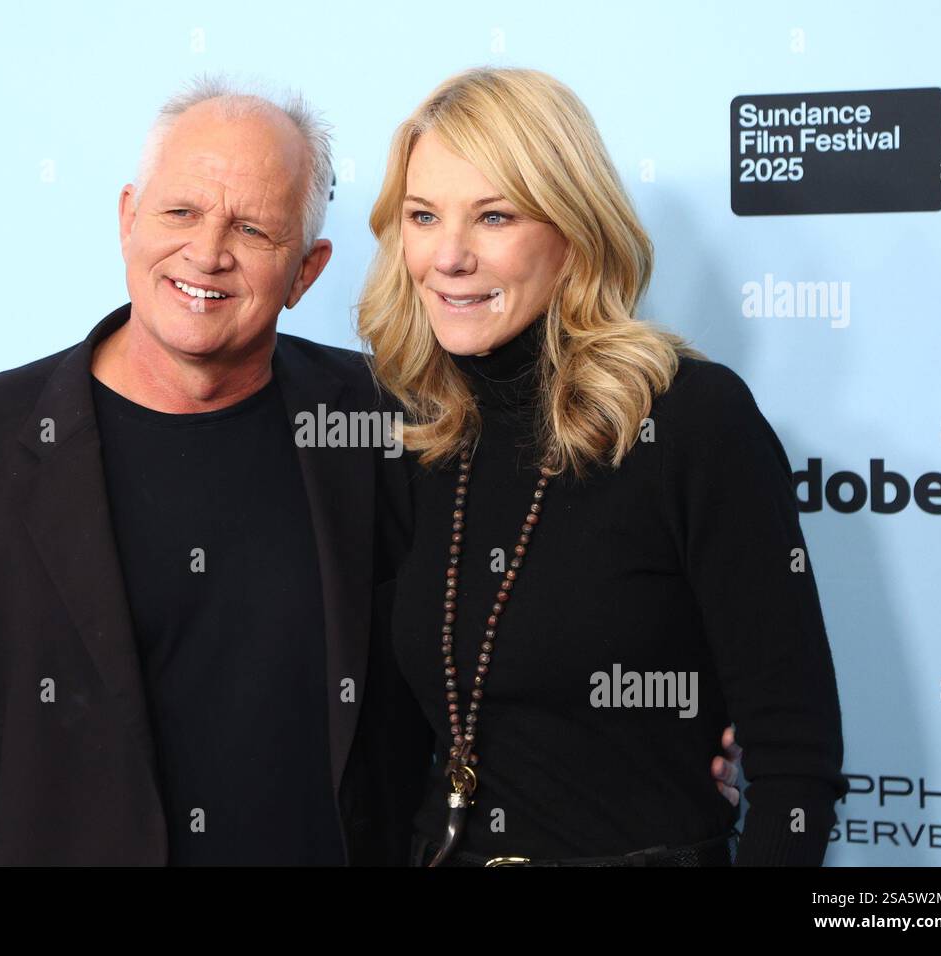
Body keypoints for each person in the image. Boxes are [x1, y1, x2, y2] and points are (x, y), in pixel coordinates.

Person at [0, 74, 741, 866]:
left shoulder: (398, 428)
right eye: (180, 211)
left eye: (253, 228)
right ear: (126, 218)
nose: (207, 252)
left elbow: (527, 619)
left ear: (307, 270)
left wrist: (680, 727)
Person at [357, 67, 847, 866]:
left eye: (494, 216)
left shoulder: (692, 422)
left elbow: (796, 766)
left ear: (573, 229)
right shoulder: (419, 437)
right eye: (422, 215)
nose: (448, 255)